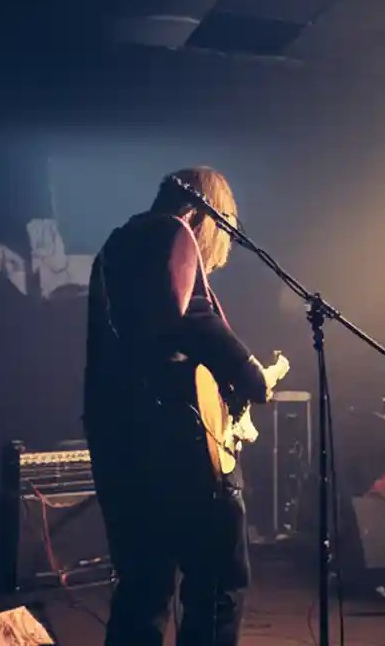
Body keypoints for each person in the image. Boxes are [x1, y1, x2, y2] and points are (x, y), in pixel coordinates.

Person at [83, 166, 288, 646]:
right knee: (217, 587)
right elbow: (191, 318)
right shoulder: (169, 231)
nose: (220, 245)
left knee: (142, 588)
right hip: (180, 447)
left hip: (121, 443)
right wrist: (250, 374)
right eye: (222, 227)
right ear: (203, 213)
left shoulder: (117, 244)